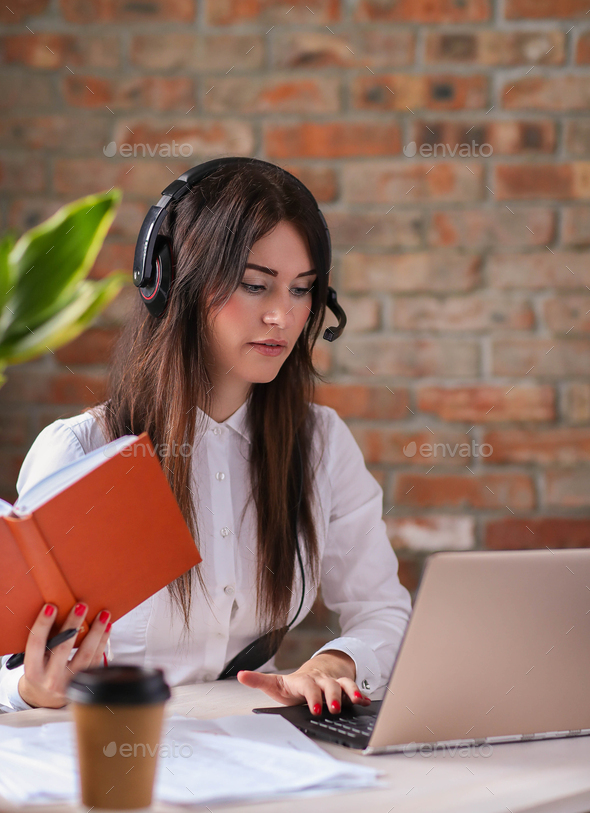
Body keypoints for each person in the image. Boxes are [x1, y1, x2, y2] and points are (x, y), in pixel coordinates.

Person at [0, 159, 412, 714]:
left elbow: (382, 609)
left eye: (301, 291)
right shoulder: (81, 452)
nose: (281, 317)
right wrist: (30, 690)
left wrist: (337, 662)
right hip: (111, 755)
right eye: (255, 285)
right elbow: (12, 664)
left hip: (257, 751)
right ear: (173, 284)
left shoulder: (320, 445)